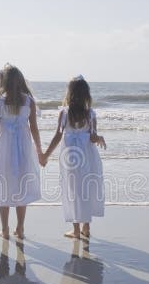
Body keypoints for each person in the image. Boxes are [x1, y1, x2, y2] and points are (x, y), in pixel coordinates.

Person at [0, 64, 44, 239]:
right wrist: (39, 151)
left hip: (4, 145)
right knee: (21, 185)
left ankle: (5, 229)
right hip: (23, 144)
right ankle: (20, 228)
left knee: (4, 185)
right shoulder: (28, 100)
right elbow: (35, 129)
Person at [41, 75, 106, 239]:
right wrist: (99, 138)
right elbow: (92, 137)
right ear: (86, 94)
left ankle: (76, 229)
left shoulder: (64, 113)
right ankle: (86, 227)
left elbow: (57, 136)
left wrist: (46, 155)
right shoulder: (90, 114)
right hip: (88, 154)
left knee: (72, 189)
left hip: (70, 155)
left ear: (69, 93)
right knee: (86, 187)